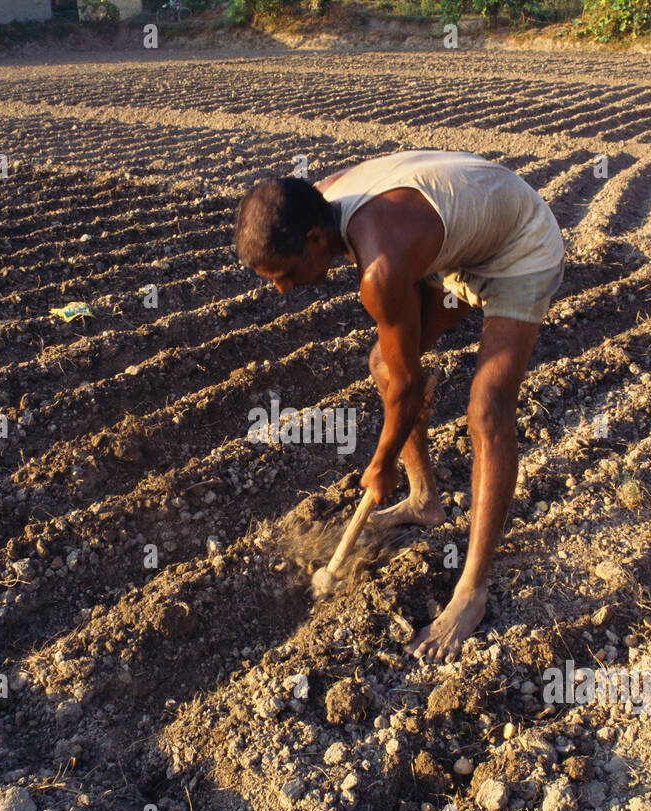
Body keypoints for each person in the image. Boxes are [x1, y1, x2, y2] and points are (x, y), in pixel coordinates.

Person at [233, 150, 564, 663]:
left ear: (316, 241)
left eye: (284, 273)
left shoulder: (380, 267)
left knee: (487, 407)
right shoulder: (313, 203)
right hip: (459, 242)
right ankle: (424, 501)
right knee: (386, 367)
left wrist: (380, 461)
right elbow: (401, 376)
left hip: (517, 243)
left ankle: (471, 592)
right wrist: (401, 400)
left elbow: (410, 387)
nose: (282, 289)